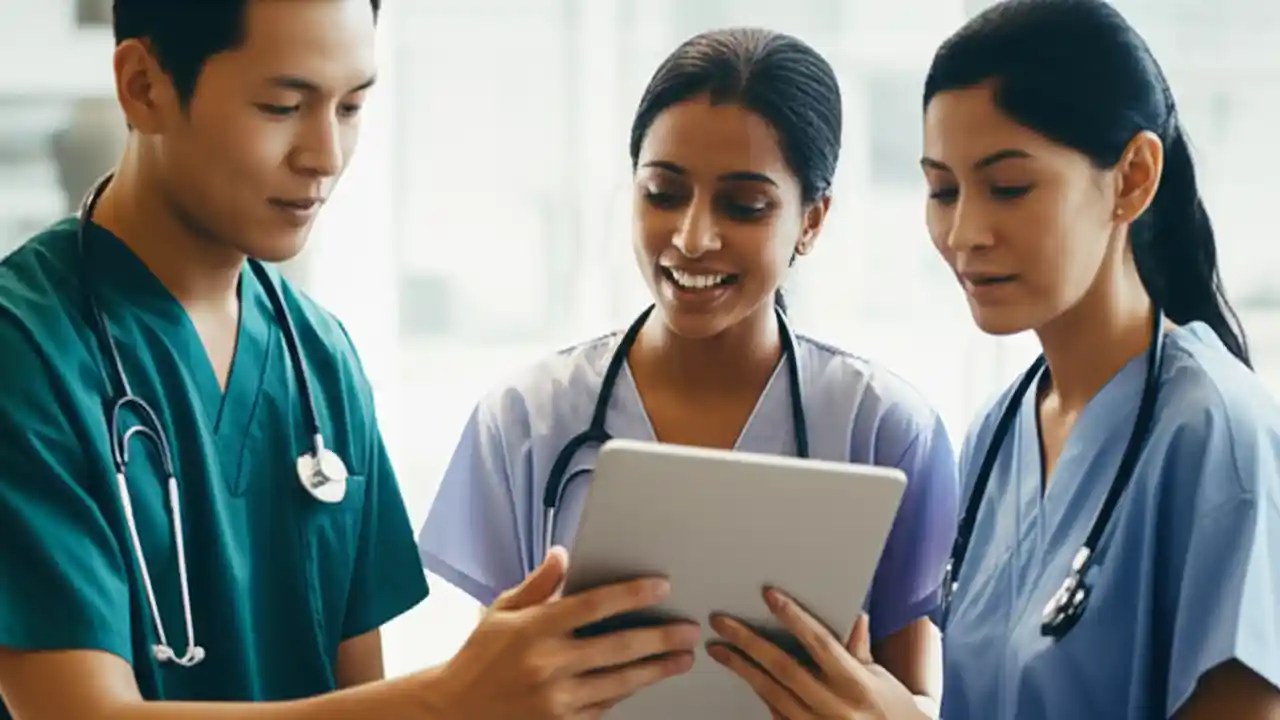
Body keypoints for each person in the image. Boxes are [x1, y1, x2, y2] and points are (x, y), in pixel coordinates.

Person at [0, 1, 701, 718]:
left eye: (352, 106)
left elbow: (368, 704)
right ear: (144, 86)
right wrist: (453, 698)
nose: (325, 156)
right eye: (282, 106)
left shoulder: (319, 358)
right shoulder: (26, 351)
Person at [705, 1, 1280, 718]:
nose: (964, 232)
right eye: (942, 190)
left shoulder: (1220, 437)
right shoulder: (995, 435)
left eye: (1009, 187)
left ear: (1132, 177)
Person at [417, 26, 960, 713]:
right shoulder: (525, 420)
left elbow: (912, 700)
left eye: (744, 206)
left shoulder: (885, 429)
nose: (692, 238)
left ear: (812, 221)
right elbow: (493, 695)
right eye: (664, 193)